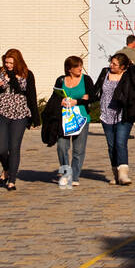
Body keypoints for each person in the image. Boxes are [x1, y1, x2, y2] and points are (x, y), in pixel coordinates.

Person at [92, 51, 135, 184]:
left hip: (124, 115)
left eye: (115, 64)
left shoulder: (129, 74)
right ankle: (116, 174)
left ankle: (123, 175)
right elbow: (96, 89)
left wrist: (133, 66)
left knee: (120, 143)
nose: (111, 65)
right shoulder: (105, 72)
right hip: (106, 115)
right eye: (111, 62)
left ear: (123, 67)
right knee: (111, 145)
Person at [0, 48, 40, 191]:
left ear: (17, 62)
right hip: (2, 112)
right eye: (6, 62)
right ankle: (6, 168)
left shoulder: (27, 74)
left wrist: (35, 118)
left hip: (20, 113)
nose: (8, 65)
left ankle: (12, 180)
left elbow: (31, 96)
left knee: (14, 147)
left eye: (11, 63)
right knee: (1, 149)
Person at [41, 55, 96, 187]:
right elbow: (55, 96)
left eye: (81, 65)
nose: (80, 68)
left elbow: (93, 97)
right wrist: (61, 101)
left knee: (78, 150)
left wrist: (78, 101)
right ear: (69, 69)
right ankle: (66, 173)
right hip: (63, 119)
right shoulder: (60, 80)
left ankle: (75, 176)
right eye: (77, 66)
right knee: (62, 146)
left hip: (82, 118)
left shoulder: (86, 79)